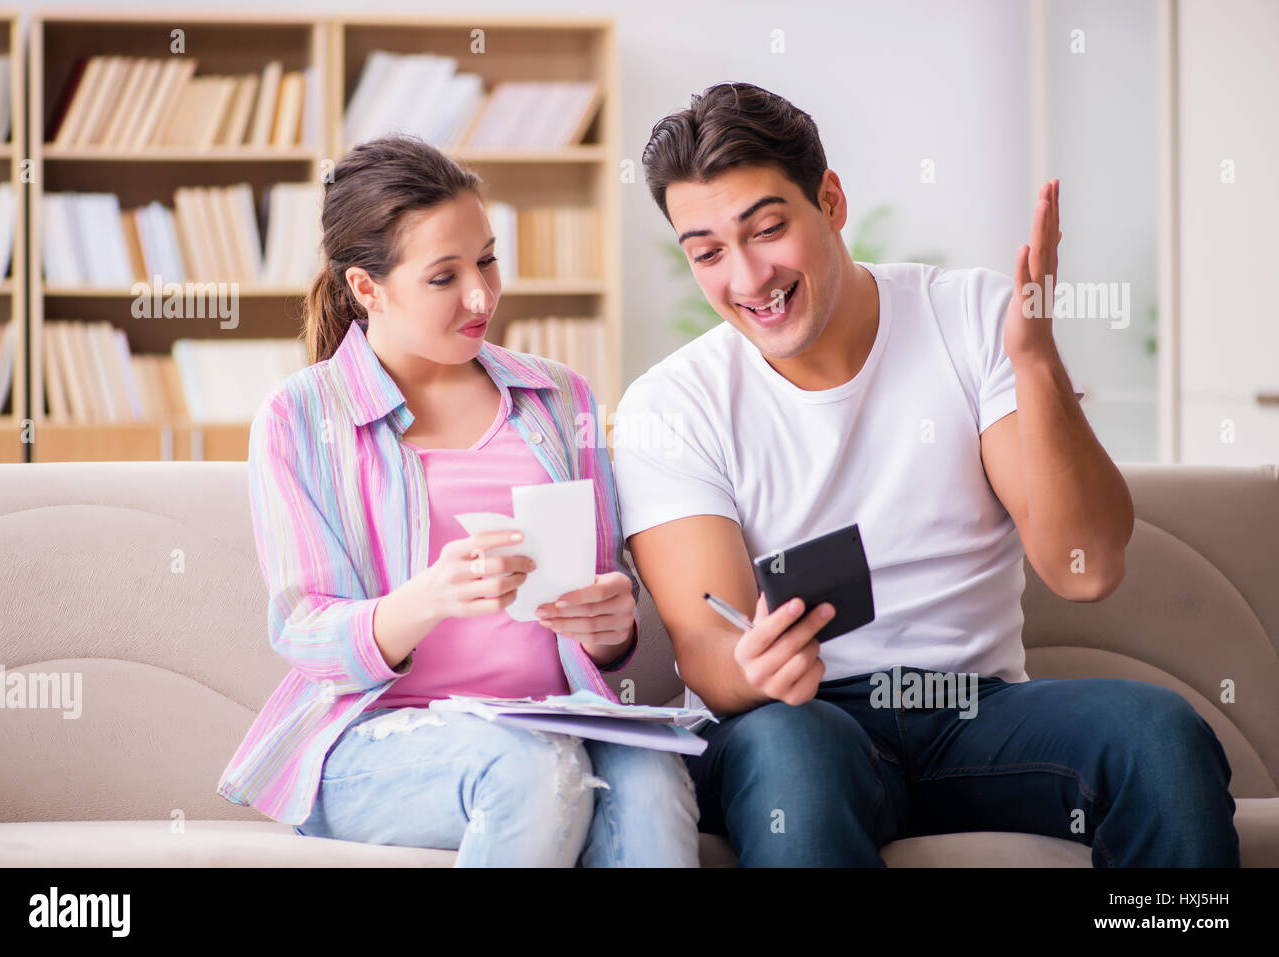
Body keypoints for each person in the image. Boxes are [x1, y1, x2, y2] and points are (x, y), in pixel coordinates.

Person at [610, 82, 1239, 866]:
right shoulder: (671, 403)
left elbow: (1086, 566)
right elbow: (704, 638)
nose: (747, 277)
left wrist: (1034, 360)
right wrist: (752, 666)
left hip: (976, 710)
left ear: (831, 201)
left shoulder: (972, 318)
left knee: (1159, 733)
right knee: (796, 759)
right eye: (707, 253)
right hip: (797, 717)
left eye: (768, 229)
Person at [217, 133, 699, 867]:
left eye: (487, 259)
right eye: (444, 277)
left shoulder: (560, 394)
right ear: (366, 288)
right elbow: (305, 629)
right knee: (529, 771)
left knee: (655, 779)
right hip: (375, 736)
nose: (482, 295)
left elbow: (605, 588)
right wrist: (428, 598)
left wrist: (610, 624)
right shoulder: (299, 416)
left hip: (557, 718)